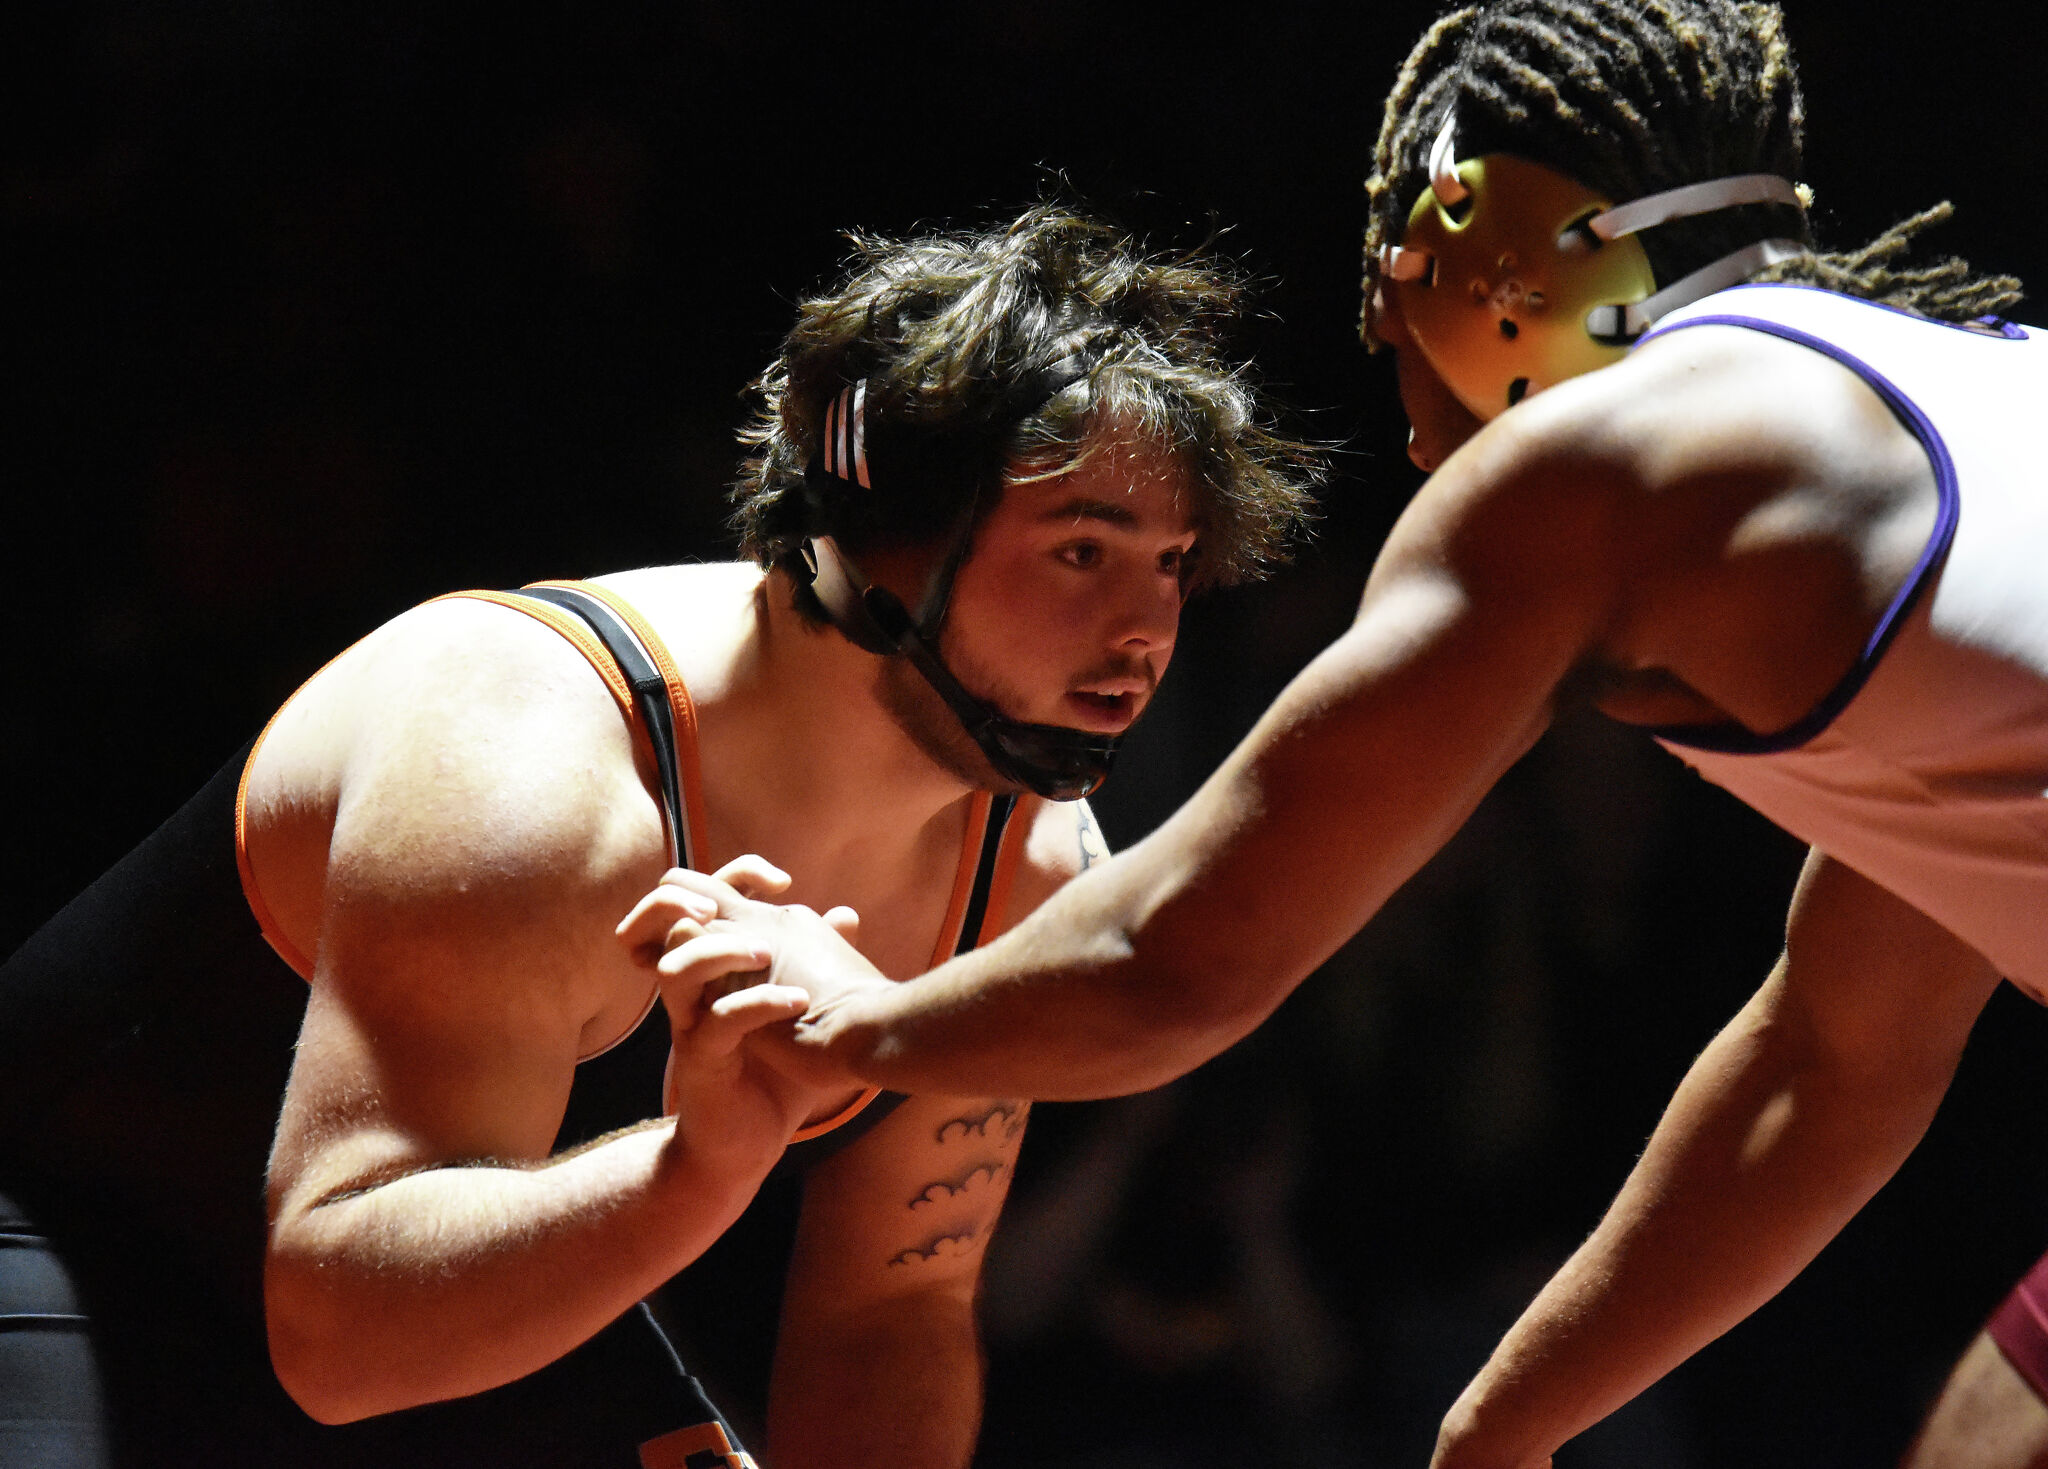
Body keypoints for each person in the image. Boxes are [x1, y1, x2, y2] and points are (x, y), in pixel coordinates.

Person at [630, 3, 2048, 1465]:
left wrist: (855, 1011)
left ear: (1480, 255)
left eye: (1391, 294)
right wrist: (1503, 1429)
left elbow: (1180, 956)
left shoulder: (1600, 465)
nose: (1399, 385)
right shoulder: (1958, 410)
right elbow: (1833, 1058)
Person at [0, 203, 1319, 1468]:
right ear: (877, 530)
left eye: (1171, 561)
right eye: (1084, 551)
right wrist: (697, 1171)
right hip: (82, 1249)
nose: (1148, 630)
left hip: (444, 1311)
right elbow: (338, 1335)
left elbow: (890, 1316)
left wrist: (694, 1175)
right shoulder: (525, 776)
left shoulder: (1022, 865)